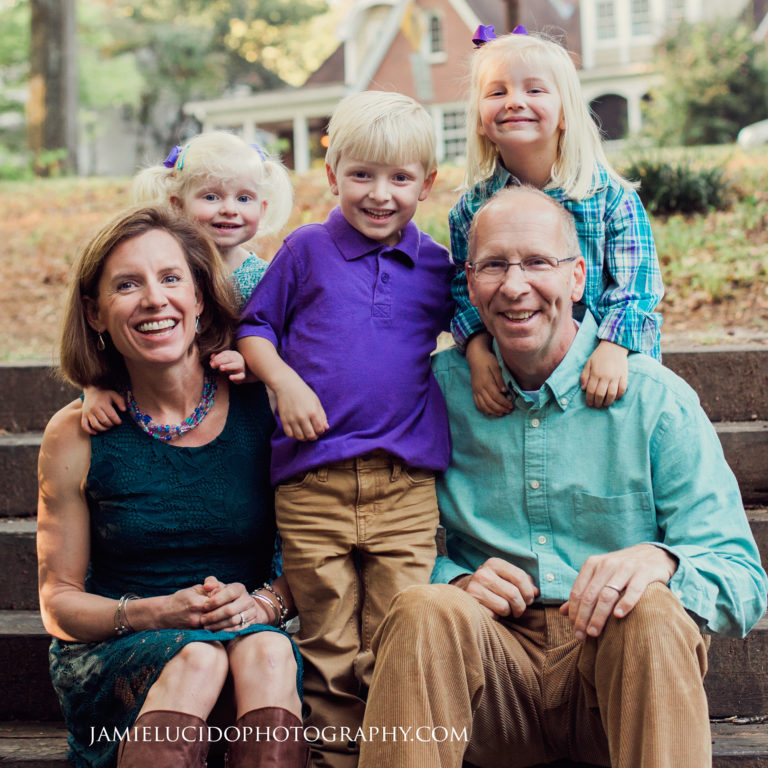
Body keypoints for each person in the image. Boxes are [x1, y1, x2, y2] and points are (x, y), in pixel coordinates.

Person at [357, 187, 768, 768]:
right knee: (427, 609)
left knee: (650, 610)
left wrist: (663, 562)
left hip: (613, 683)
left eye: (537, 263)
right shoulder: (434, 393)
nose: (515, 285)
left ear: (577, 277)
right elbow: (379, 538)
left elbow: (743, 580)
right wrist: (454, 579)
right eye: (494, 265)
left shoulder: (656, 402)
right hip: (490, 683)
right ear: (470, 284)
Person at [37, 206, 307, 768]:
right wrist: (157, 613)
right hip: (121, 651)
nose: (155, 299)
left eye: (170, 278)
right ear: (95, 313)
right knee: (199, 659)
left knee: (267, 650)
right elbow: (59, 602)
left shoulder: (264, 406)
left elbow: (325, 553)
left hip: (249, 644)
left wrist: (263, 604)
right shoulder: (77, 433)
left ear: (200, 296)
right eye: (127, 285)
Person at [237, 90, 455, 768]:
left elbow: (480, 328)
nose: (380, 194)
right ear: (332, 175)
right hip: (312, 485)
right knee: (329, 643)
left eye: (400, 178)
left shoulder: (438, 267)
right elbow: (253, 329)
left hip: (404, 490)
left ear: (427, 182)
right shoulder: (304, 250)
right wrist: (284, 381)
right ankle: (335, 758)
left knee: (397, 636)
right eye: (361, 174)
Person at [451, 26, 663, 415]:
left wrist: (614, 348)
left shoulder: (608, 197)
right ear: (480, 119)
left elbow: (638, 286)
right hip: (519, 372)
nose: (514, 101)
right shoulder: (471, 209)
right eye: (497, 92)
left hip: (600, 373)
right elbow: (465, 288)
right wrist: (478, 350)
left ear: (565, 112)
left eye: (534, 90)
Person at [81, 131, 293, 433]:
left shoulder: (267, 278)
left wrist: (255, 367)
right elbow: (117, 339)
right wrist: (93, 389)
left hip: (242, 409)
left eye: (243, 198)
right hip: (163, 402)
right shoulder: (159, 276)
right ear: (177, 205)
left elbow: (292, 344)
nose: (229, 209)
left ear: (262, 209)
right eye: (211, 196)